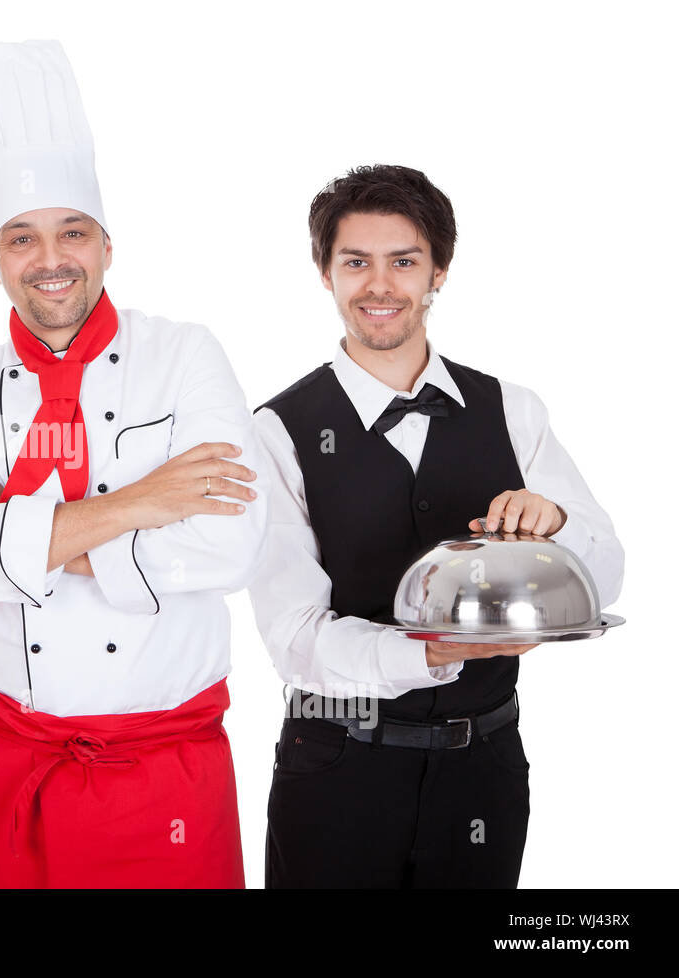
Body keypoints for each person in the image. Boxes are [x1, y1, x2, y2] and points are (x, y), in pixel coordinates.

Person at [0, 40, 268, 888]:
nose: (49, 258)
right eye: (20, 238)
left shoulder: (186, 356)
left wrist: (11, 518)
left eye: (72, 233)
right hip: (9, 766)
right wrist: (141, 502)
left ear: (106, 245)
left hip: (164, 771)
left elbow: (232, 546)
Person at [248, 164, 625, 888]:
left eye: (404, 261)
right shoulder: (276, 432)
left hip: (483, 768)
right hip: (336, 768)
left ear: (439, 272)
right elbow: (295, 640)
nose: (379, 286)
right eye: (356, 262)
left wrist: (558, 522)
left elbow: (605, 572)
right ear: (326, 273)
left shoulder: (512, 408)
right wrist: (436, 652)